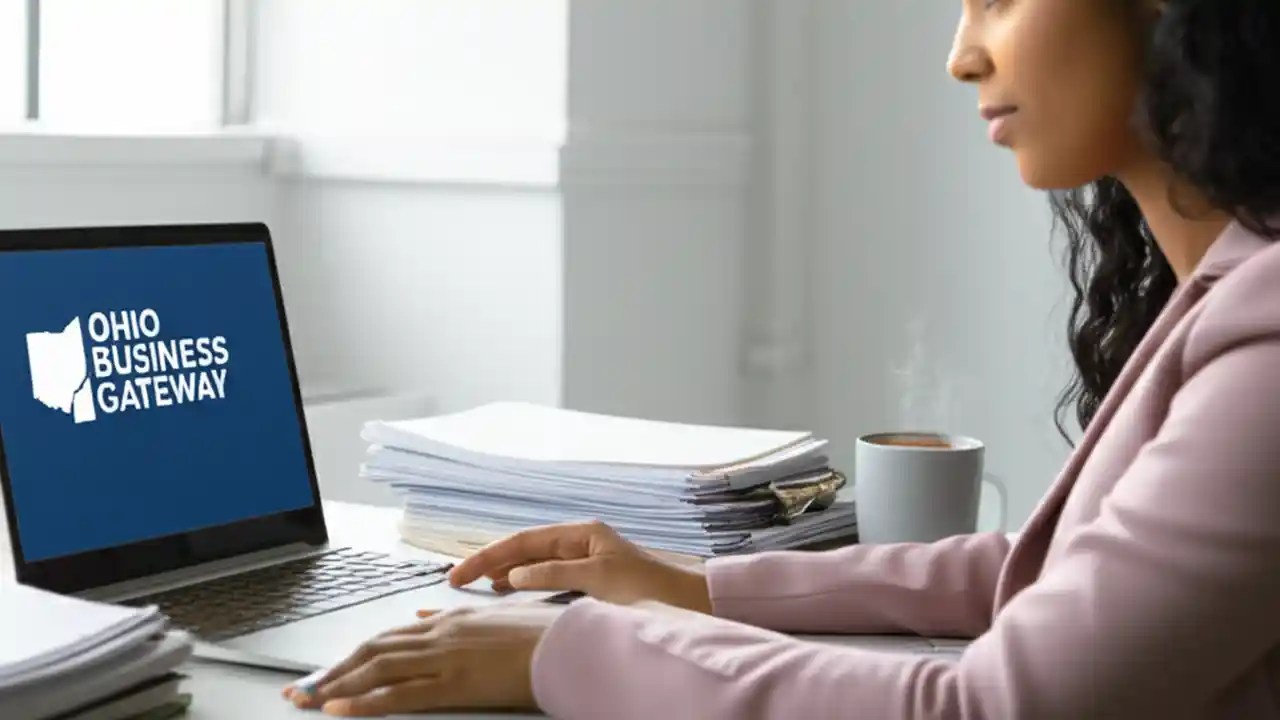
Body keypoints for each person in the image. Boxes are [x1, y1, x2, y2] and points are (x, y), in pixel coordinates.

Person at [285, 0, 1280, 716]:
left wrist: (569, 652)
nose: (960, 55)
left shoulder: (1264, 344)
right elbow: (1046, 572)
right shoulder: (1227, 290)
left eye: (997, 0)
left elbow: (994, 704)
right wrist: (695, 586)